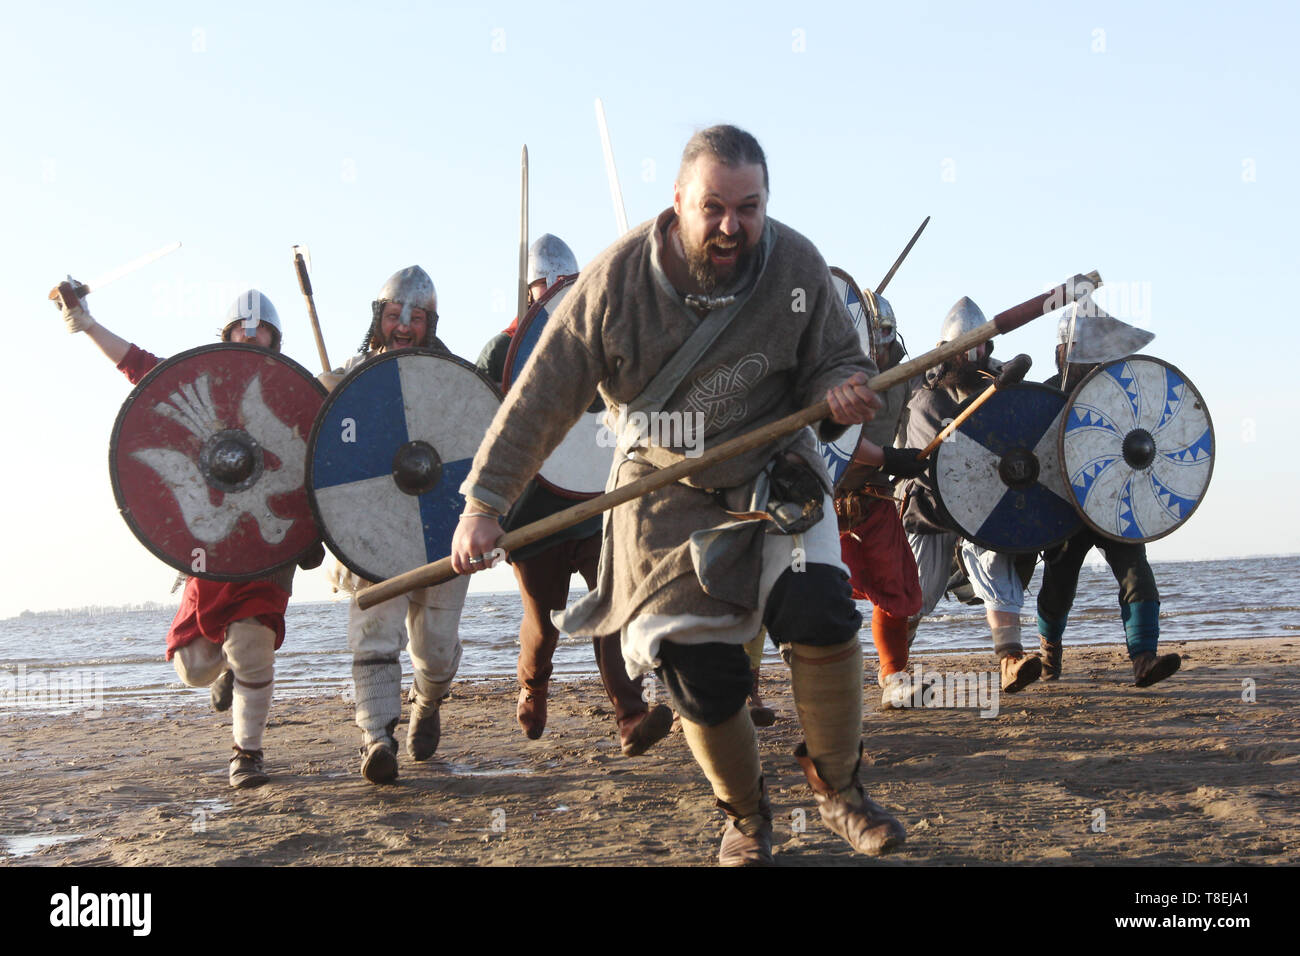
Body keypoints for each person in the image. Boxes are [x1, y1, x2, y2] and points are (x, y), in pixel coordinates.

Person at [452, 125, 907, 866]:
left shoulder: (794, 263)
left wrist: (840, 392)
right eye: (715, 207)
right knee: (702, 676)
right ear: (678, 203)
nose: (733, 226)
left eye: (749, 207)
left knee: (820, 610)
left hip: (776, 472)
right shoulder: (614, 284)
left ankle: (843, 795)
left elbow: (834, 357)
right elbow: (539, 400)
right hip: (664, 490)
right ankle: (746, 815)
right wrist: (484, 505)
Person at [53, 286, 322, 789]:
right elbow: (137, 366)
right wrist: (88, 324)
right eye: (241, 328)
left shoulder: (294, 395)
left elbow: (337, 439)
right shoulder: (199, 378)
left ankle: (247, 753)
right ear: (225, 334)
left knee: (252, 640)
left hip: (268, 546)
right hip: (213, 546)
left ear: (274, 337)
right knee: (192, 665)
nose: (249, 334)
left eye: (259, 328)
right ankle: (225, 673)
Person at [475, 234, 672, 755]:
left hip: (593, 506)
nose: (553, 292)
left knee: (608, 606)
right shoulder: (501, 350)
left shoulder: (597, 333)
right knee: (543, 625)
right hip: (533, 514)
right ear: (528, 290)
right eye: (544, 284)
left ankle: (631, 715)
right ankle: (532, 687)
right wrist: (484, 512)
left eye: (563, 284)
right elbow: (475, 425)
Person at [321, 266, 472, 784]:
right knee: (373, 633)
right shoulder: (349, 378)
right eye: (393, 316)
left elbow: (484, 446)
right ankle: (376, 736)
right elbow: (325, 457)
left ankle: (428, 701)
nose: (403, 327)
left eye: (415, 317)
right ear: (378, 317)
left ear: (431, 322)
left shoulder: (457, 380)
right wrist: (324, 400)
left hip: (440, 530)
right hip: (374, 525)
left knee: (432, 646)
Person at [899, 296, 1042, 693]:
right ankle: (895, 669)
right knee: (917, 590)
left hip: (986, 502)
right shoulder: (926, 392)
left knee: (995, 563)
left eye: (977, 344)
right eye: (963, 346)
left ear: (986, 347)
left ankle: (1010, 660)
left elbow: (1025, 437)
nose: (970, 353)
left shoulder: (1003, 383)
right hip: (929, 504)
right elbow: (935, 460)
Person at [1035, 304, 1181, 686]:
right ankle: (1049, 655)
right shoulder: (1045, 395)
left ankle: (1144, 659)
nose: (1084, 358)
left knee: (1137, 576)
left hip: (1115, 504)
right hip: (1064, 508)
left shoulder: (1121, 392)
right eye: (1077, 349)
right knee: (1058, 586)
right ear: (1061, 352)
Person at [830, 290, 929, 704]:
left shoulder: (906, 376)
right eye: (873, 333)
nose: (880, 342)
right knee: (816, 591)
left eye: (886, 332)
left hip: (875, 496)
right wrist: (890, 456)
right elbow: (836, 442)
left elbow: (931, 399)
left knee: (896, 588)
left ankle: (893, 679)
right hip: (824, 501)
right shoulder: (833, 375)